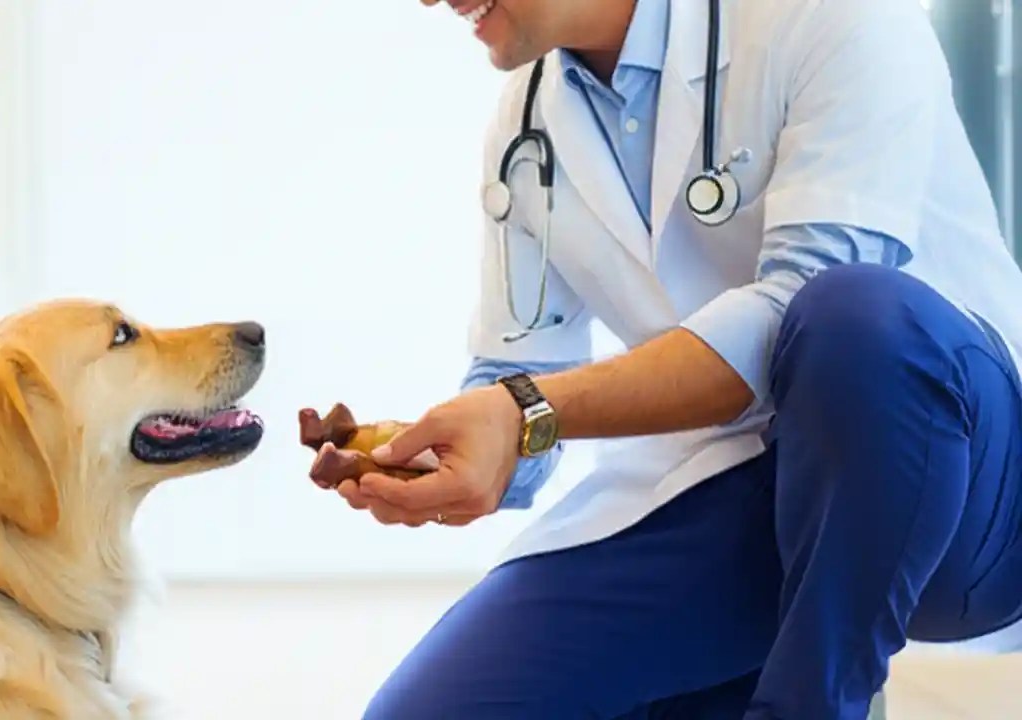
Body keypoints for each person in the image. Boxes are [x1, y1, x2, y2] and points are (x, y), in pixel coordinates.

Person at [317, 1, 1022, 718]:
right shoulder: (526, 122)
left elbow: (800, 311)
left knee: (858, 318)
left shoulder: (830, 15)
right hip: (732, 485)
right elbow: (517, 373)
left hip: (959, 477)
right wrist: (441, 452)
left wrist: (525, 410)